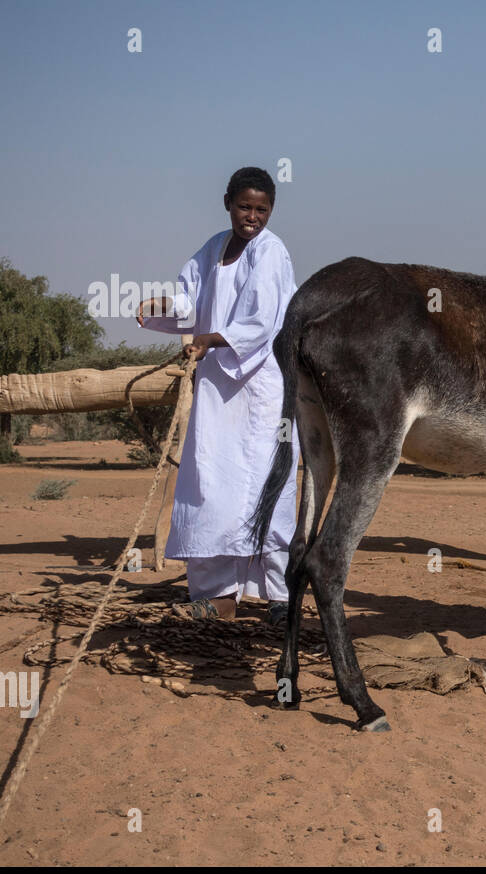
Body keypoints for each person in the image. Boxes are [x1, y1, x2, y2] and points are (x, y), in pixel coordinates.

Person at [135, 167, 298, 625]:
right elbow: (189, 300)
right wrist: (160, 309)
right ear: (228, 202)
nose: (253, 216)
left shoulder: (271, 253)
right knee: (211, 485)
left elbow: (263, 320)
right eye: (245, 206)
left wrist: (209, 340)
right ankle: (218, 596)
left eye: (262, 209)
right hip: (216, 388)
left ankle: (280, 598)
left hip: (260, 387)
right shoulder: (212, 249)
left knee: (265, 487)